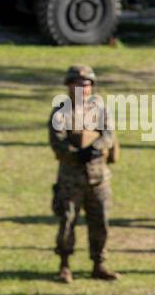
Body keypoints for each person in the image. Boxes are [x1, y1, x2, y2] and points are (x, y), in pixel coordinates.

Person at [49, 65, 117, 283]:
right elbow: (56, 141)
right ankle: (64, 265)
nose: (83, 89)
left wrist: (95, 148)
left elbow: (108, 134)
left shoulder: (100, 109)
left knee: (100, 221)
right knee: (67, 221)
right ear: (69, 86)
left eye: (86, 85)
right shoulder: (61, 112)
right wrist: (76, 154)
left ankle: (99, 263)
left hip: (98, 177)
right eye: (78, 84)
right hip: (71, 176)